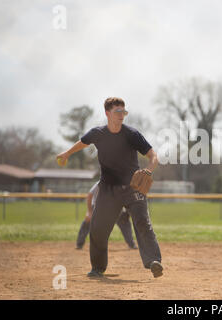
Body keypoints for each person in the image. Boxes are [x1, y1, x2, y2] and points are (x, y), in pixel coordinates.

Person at [56, 97, 162, 278]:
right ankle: (97, 268)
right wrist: (67, 153)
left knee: (143, 222)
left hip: (133, 187)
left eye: (124, 112)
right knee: (97, 228)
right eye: (117, 112)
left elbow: (153, 156)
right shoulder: (98, 133)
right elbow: (83, 142)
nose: (122, 115)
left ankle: (153, 261)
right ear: (107, 113)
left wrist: (148, 170)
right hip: (108, 189)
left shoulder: (131, 134)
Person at [76, 181, 138, 250]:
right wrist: (89, 212)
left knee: (124, 220)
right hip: (97, 206)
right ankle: (80, 244)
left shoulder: (119, 184)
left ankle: (131, 243)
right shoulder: (101, 183)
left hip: (114, 207)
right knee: (88, 222)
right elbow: (90, 195)